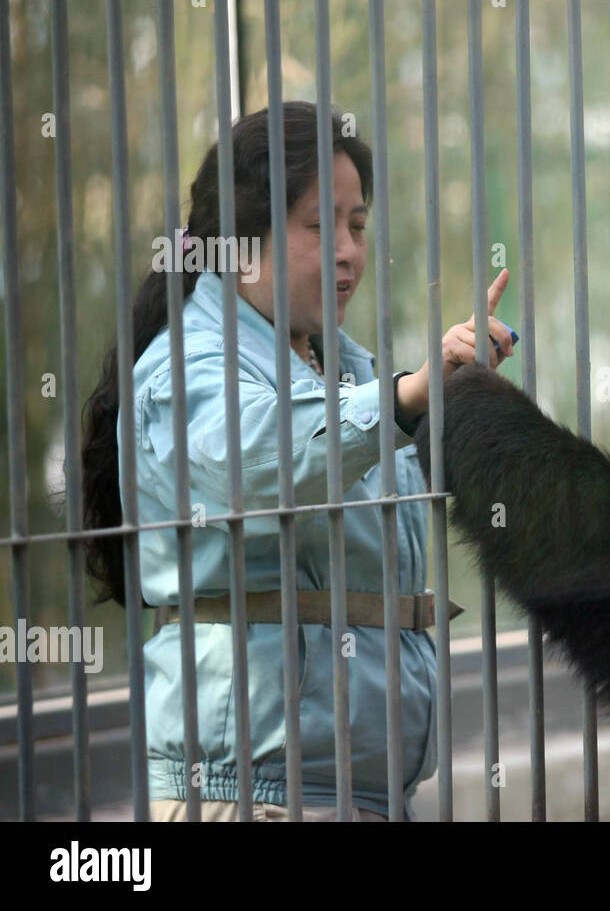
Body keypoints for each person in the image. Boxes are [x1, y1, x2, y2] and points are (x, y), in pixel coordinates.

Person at [80, 101, 516, 821]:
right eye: (322, 226)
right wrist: (409, 394)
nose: (348, 250)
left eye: (359, 225)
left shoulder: (343, 372)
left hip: (359, 793)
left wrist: (456, 402)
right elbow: (268, 458)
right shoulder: (185, 370)